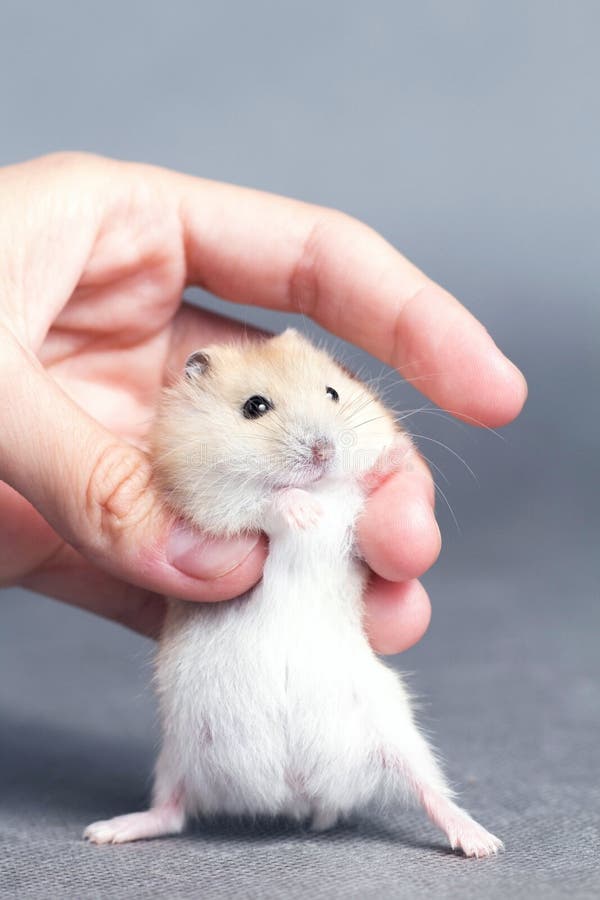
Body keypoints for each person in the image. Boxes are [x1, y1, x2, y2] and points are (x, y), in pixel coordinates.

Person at [0, 153, 527, 655]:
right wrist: (271, 508)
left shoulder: (331, 428)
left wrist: (369, 468)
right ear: (193, 390)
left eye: (329, 395)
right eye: (256, 408)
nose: (318, 441)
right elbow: (206, 509)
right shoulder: (185, 452)